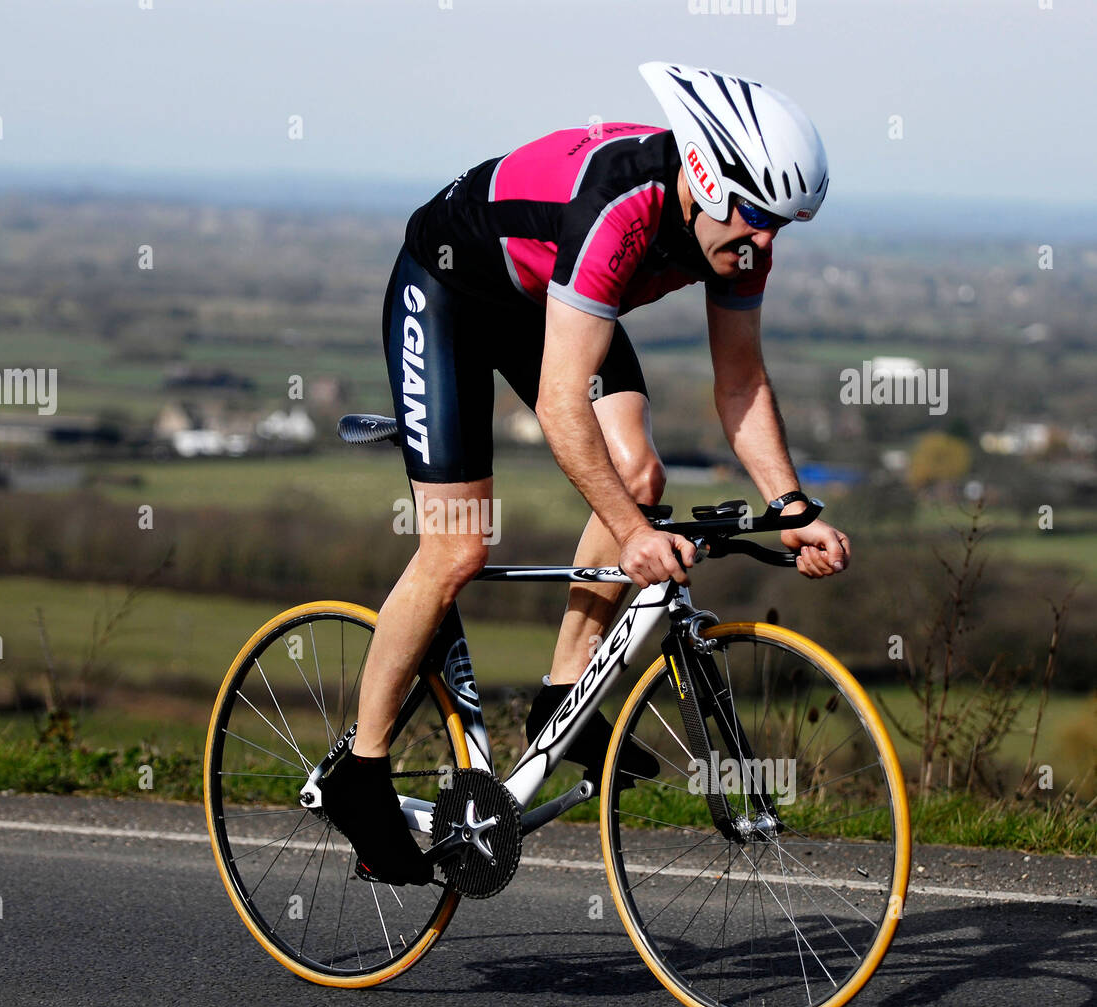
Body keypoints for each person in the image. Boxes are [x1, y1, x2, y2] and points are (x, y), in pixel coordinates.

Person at [321, 62, 851, 885]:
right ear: (708, 178)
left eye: (784, 225)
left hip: (550, 301)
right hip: (449, 291)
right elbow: (563, 405)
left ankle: (564, 693)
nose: (766, 244)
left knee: (639, 471)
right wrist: (635, 540)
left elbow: (741, 381)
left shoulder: (738, 242)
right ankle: (362, 772)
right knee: (456, 549)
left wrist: (791, 507)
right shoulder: (620, 209)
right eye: (758, 217)